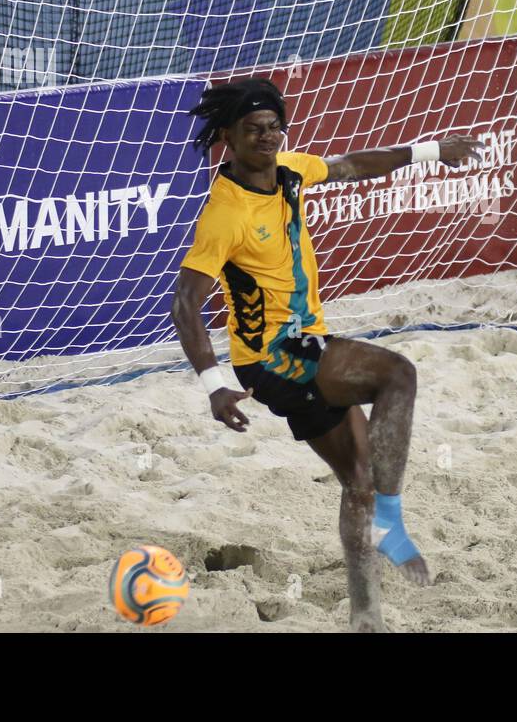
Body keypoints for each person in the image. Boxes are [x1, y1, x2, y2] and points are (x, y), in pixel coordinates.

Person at [170, 75, 481, 632]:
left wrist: (433, 150)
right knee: (397, 374)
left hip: (301, 347)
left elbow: (357, 163)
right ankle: (391, 519)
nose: (267, 138)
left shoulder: (289, 170)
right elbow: (185, 304)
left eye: (273, 128)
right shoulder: (225, 213)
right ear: (228, 138)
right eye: (253, 130)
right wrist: (212, 385)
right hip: (274, 354)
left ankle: (365, 614)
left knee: (356, 478)